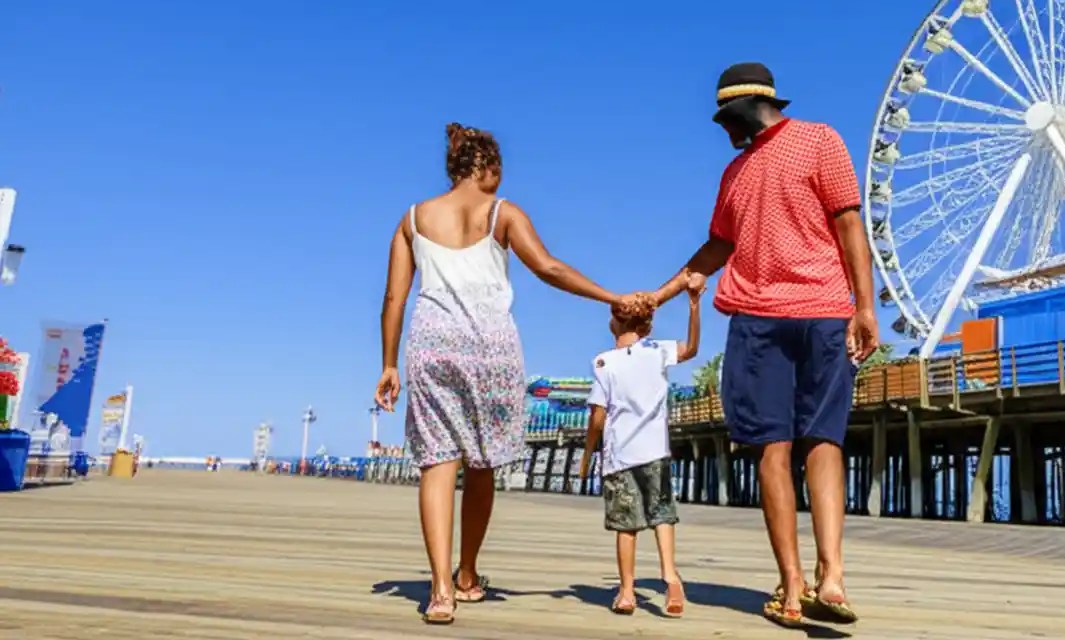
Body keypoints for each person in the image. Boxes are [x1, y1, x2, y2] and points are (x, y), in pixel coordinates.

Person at [635, 62, 879, 627]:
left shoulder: (739, 172)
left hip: (761, 321)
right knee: (823, 441)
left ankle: (793, 589)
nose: (724, 133)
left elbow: (717, 249)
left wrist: (660, 294)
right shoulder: (822, 141)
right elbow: (846, 228)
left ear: (740, 111)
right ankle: (832, 577)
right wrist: (863, 307)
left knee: (773, 447)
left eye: (724, 122)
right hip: (824, 313)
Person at [375, 122, 628, 625]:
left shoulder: (413, 218)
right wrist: (611, 297)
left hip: (432, 346)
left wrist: (387, 363)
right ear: (487, 167)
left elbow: (393, 298)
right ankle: (468, 575)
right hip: (492, 349)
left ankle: (441, 591)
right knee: (484, 462)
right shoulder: (502, 213)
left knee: (438, 464)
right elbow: (550, 268)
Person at [580, 272, 705, 618]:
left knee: (626, 525)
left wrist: (587, 454)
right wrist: (694, 306)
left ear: (617, 321)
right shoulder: (658, 351)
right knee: (662, 515)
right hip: (656, 452)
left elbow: (598, 417)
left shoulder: (603, 362)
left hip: (620, 457)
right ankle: (670, 576)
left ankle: (626, 591)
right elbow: (691, 349)